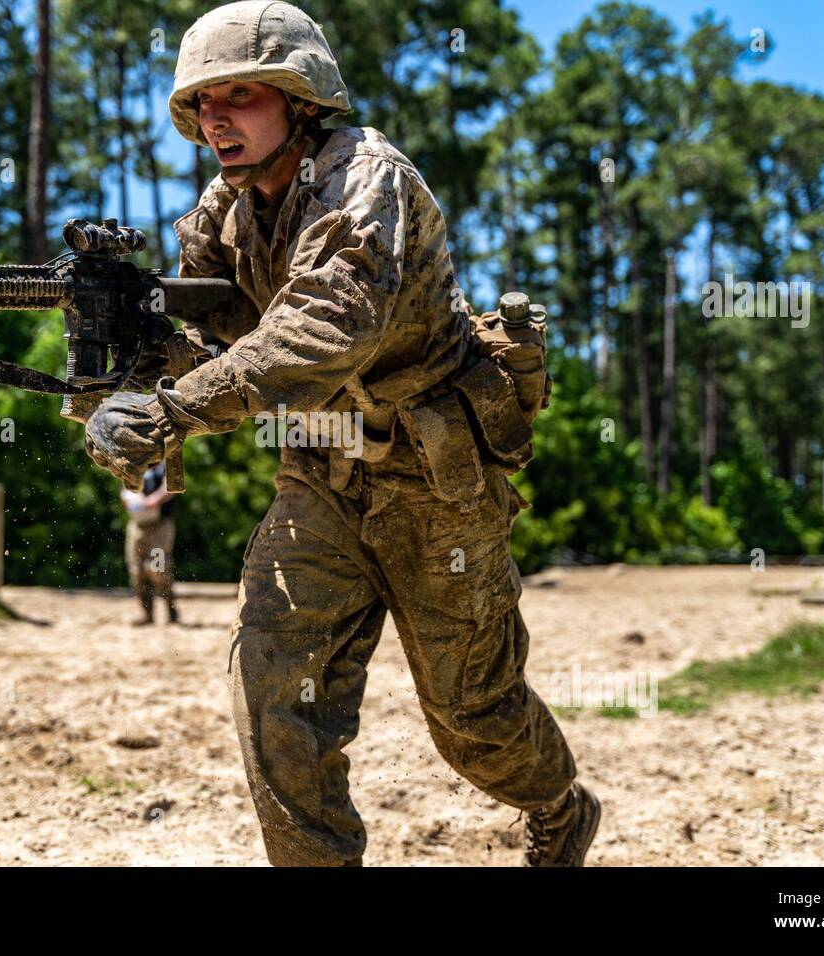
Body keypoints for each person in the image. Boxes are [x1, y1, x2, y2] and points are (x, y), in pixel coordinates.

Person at [84, 0, 600, 866]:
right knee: (272, 683)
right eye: (203, 102)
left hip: (433, 481)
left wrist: (171, 411)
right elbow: (211, 342)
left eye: (241, 94)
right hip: (319, 476)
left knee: (473, 721)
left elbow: (322, 329)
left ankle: (558, 805)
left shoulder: (368, 177)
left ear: (303, 100)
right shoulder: (225, 210)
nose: (216, 116)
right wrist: (124, 354)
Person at [120, 463, 179, 626]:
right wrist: (132, 500)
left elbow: (173, 486)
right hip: (137, 526)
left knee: (158, 568)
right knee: (136, 570)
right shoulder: (134, 463)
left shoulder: (166, 463)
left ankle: (170, 608)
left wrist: (152, 501)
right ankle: (147, 613)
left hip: (159, 527)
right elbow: (124, 491)